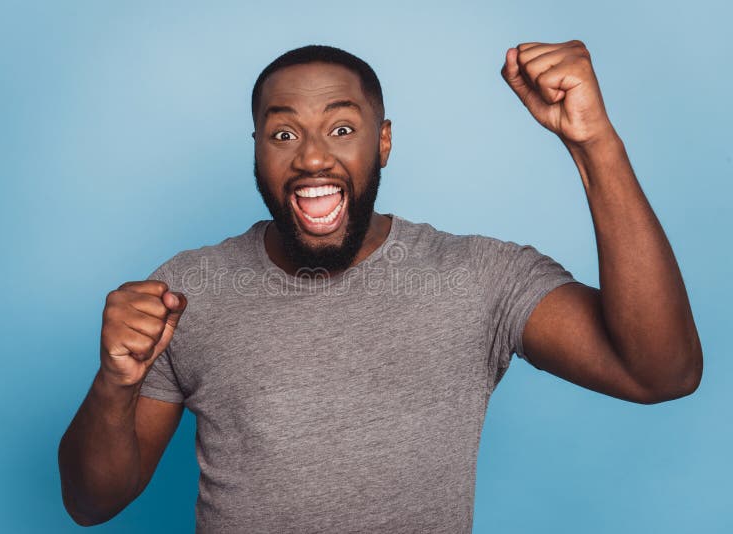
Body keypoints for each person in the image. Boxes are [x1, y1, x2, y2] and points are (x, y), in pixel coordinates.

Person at [58, 43, 703, 533]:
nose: (312, 157)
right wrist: (113, 383)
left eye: (342, 128)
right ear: (256, 150)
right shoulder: (187, 289)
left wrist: (595, 144)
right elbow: (91, 502)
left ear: (384, 141)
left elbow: (660, 372)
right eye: (284, 134)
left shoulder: (478, 278)